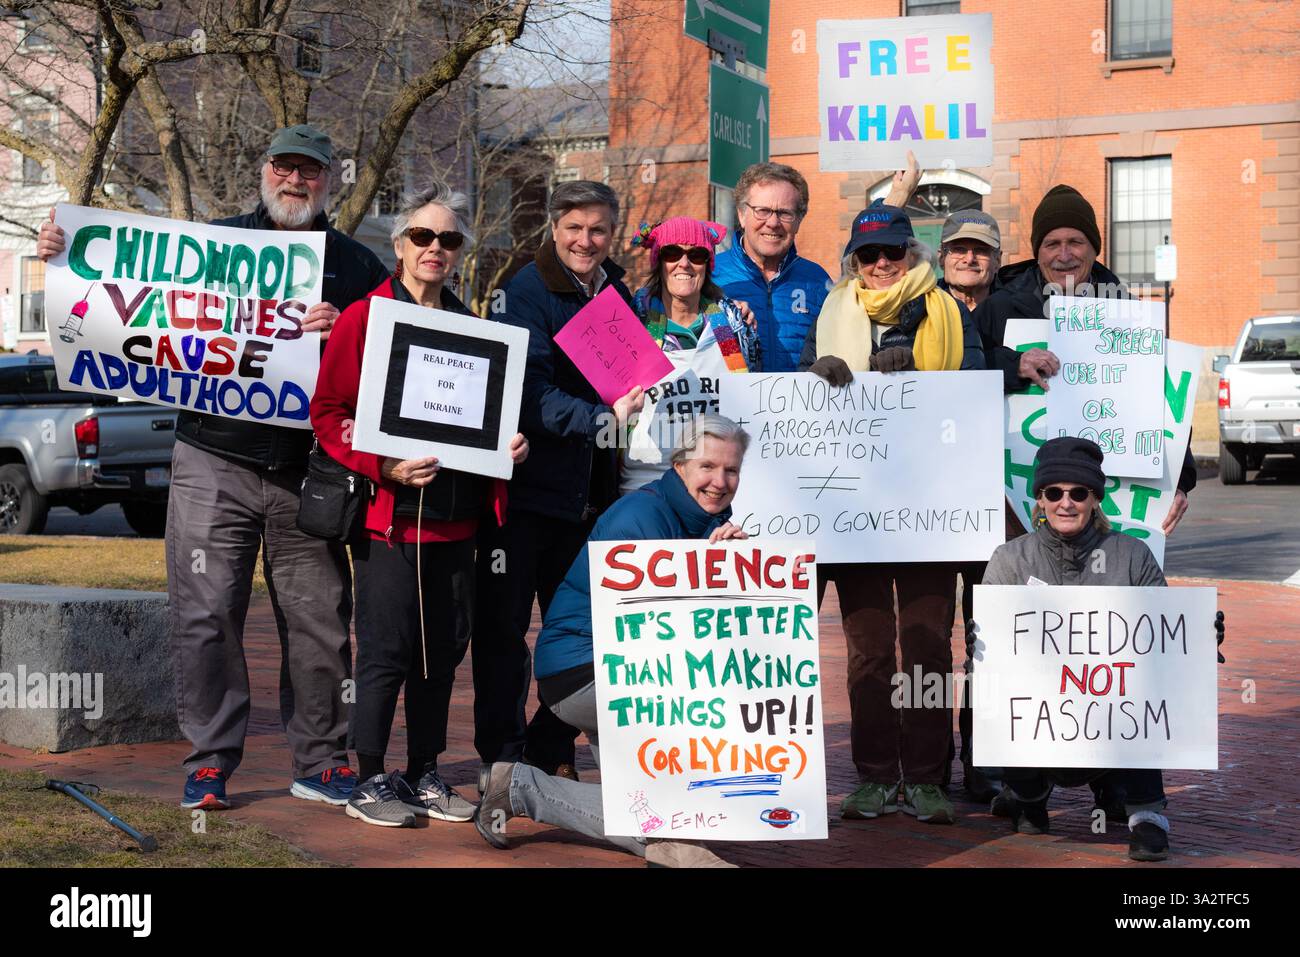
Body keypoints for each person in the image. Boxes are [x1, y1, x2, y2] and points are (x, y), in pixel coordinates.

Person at [37, 125, 388, 810]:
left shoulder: (357, 267)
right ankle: (209, 761)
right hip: (212, 458)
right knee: (205, 614)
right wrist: (61, 254)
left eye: (310, 172)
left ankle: (320, 759)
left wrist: (342, 323)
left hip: (309, 471)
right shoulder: (212, 246)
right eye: (284, 167)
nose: (296, 181)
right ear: (263, 171)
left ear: (330, 181)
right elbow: (118, 283)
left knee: (319, 620)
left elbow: (387, 360)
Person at [311, 184, 529, 827]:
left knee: (442, 654)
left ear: (460, 252)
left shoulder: (475, 328)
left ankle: (424, 771)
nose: (435, 248)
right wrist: (383, 466)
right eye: (422, 237)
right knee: (387, 650)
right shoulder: (363, 318)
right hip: (391, 522)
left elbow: (490, 421)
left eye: (449, 240)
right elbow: (328, 412)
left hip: (458, 522)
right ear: (400, 245)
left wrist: (507, 447)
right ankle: (369, 777)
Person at [473, 416, 749, 867]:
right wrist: (712, 569)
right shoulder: (641, 517)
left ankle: (520, 787)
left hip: (629, 670)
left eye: (731, 470)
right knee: (688, 741)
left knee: (644, 801)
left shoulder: (705, 520)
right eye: (707, 467)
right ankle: (670, 842)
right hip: (583, 670)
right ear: (679, 466)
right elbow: (666, 628)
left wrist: (736, 570)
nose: (720, 482)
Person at [798, 204, 970, 825]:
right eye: (868, 255)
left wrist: (918, 377)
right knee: (868, 651)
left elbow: (972, 388)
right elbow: (803, 407)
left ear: (911, 254)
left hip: (930, 512)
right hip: (857, 515)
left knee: (928, 650)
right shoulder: (832, 309)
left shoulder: (945, 308)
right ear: (854, 259)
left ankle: (927, 778)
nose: (879, 265)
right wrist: (817, 376)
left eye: (891, 253)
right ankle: (873, 775)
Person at [472, 181, 647, 790]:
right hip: (525, 496)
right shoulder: (525, 290)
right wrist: (601, 421)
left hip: (588, 497)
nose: (586, 240)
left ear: (612, 232)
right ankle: (500, 753)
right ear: (554, 228)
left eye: (598, 229)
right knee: (504, 631)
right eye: (574, 228)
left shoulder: (616, 291)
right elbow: (525, 392)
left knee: (578, 632)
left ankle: (550, 746)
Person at [978, 436, 1205, 861]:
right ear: (1040, 501)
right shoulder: (1009, 559)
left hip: (1112, 721)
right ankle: (1028, 793)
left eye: (1079, 493)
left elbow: (1166, 639)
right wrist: (983, 640)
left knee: (1144, 691)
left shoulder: (1132, 556)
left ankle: (1146, 816)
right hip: (1041, 720)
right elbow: (990, 650)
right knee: (990, 686)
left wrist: (1199, 633)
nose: (1066, 502)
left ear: (1095, 500)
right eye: (1054, 493)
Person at [973, 185, 1195, 534]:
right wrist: (1012, 365)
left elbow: (1167, 400)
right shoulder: (999, 307)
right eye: (1052, 244)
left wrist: (1179, 480)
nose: (1064, 255)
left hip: (1100, 499)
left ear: (1094, 248)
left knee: (1101, 586)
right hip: (1014, 499)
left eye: (1075, 242)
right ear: (1038, 252)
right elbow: (961, 370)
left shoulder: (1128, 311)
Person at [622, 217, 760, 495]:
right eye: (672, 253)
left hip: (715, 488)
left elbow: (749, 397)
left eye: (696, 255)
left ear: (707, 266)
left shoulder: (731, 326)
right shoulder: (631, 321)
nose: (684, 263)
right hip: (646, 485)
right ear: (658, 262)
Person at [712, 163, 833, 372]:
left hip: (800, 404)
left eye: (785, 213)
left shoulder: (818, 282)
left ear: (798, 221)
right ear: (741, 215)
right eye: (763, 211)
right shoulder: (711, 275)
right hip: (729, 403)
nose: (773, 222)